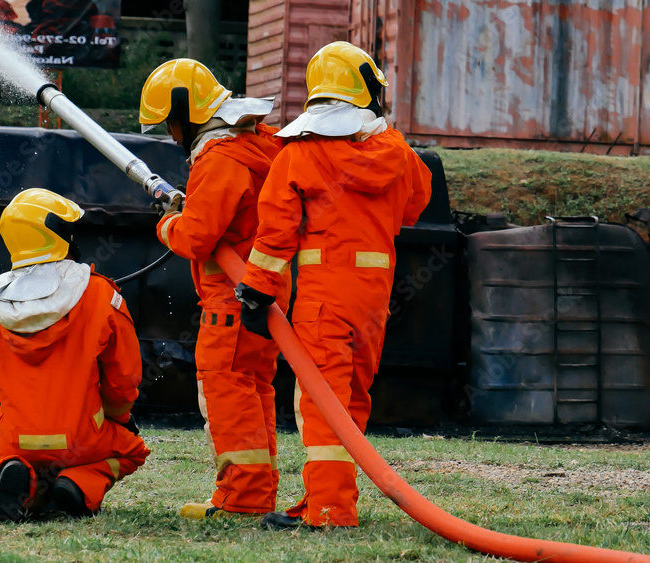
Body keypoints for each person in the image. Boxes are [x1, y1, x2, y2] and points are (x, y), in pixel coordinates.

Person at [236, 41, 432, 529]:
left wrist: (257, 292)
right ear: (367, 91)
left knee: (323, 404)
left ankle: (329, 508)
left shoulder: (300, 154)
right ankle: (329, 498)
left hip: (323, 297)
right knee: (351, 400)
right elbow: (416, 205)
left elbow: (276, 233)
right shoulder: (399, 153)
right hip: (373, 298)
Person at [138, 59, 291, 519]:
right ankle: (255, 495)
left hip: (231, 301)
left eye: (169, 123)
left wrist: (168, 223)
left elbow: (196, 238)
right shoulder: (255, 145)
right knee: (254, 392)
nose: (169, 134)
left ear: (185, 113)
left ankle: (241, 500)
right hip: (262, 296)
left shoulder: (220, 157)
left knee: (227, 396)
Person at [0, 188, 151, 523]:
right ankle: (77, 483)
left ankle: (16, 475)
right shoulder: (100, 294)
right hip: (83, 437)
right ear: (60, 236)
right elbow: (123, 379)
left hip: (18, 438)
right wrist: (119, 416)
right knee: (131, 450)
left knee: (9, 453)